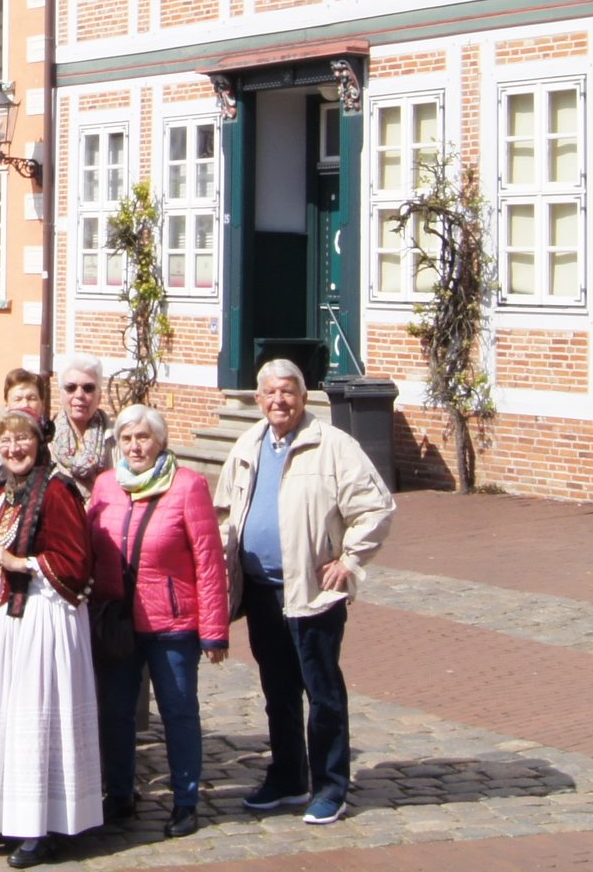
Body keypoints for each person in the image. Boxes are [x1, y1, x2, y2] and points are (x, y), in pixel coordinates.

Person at [214, 357, 394, 826]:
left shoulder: (333, 445)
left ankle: (330, 786)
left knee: (322, 690)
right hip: (261, 591)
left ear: (302, 396)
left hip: (313, 592)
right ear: (258, 399)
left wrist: (350, 559)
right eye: (270, 393)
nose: (279, 401)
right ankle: (288, 775)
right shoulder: (248, 445)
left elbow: (375, 507)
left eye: (288, 392)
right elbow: (223, 511)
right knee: (278, 689)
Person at [0, 410, 102, 869]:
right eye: (7, 440)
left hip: (43, 618)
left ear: (39, 443)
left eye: (23, 440)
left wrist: (24, 564)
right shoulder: (2, 492)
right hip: (4, 621)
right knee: (1, 715)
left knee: (35, 714)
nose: (14, 449)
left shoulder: (57, 491)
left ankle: (41, 824)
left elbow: (75, 562)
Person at [90, 403, 229, 839]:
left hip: (173, 622)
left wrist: (214, 630)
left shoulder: (188, 486)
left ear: (160, 442)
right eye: (127, 438)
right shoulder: (106, 485)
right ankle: (120, 794)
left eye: (143, 437)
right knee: (116, 713)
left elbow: (209, 562)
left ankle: (185, 800)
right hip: (119, 620)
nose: (135, 446)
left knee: (178, 712)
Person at [50, 354, 113, 498]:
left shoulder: (117, 439)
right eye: (71, 387)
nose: (79, 395)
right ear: (61, 394)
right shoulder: (46, 440)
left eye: (88, 388)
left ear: (99, 396)